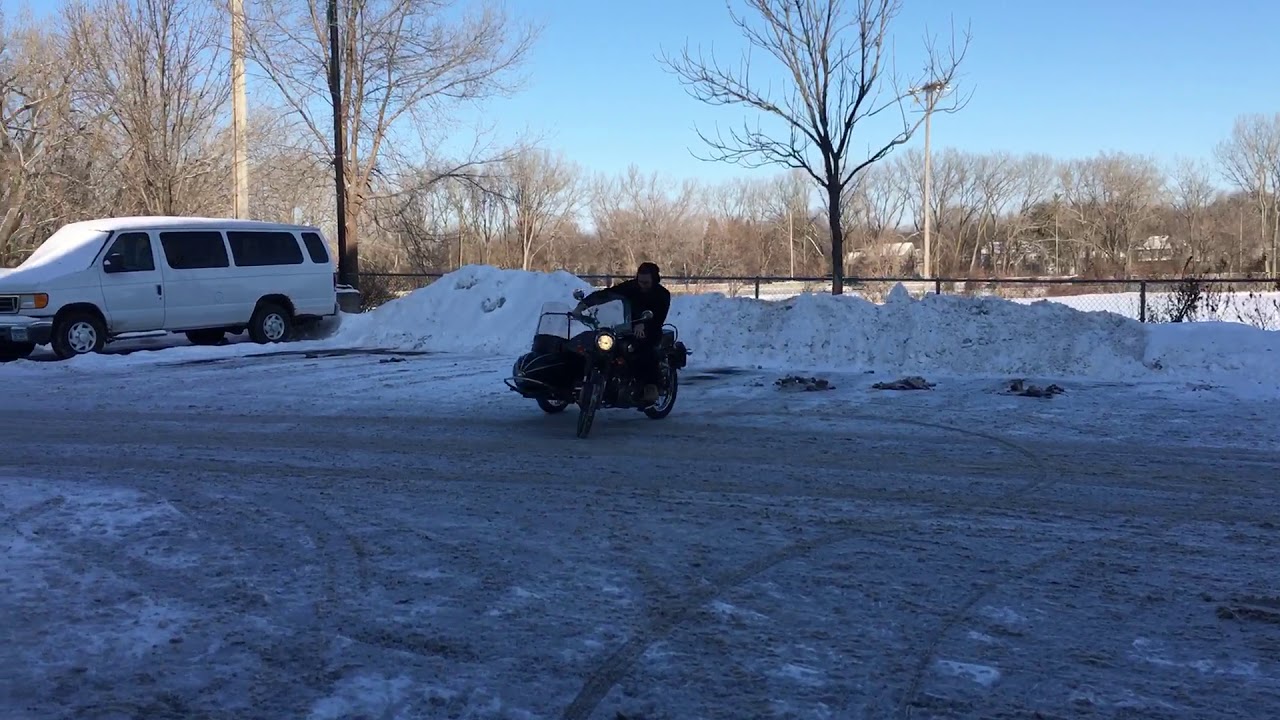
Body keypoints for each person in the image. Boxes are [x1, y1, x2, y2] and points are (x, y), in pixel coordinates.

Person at [574, 262, 671, 405]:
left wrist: (643, 324)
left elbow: (659, 317)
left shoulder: (662, 295)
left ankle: (651, 386)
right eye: (640, 281)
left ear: (654, 279)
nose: (642, 285)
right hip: (626, 328)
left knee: (644, 352)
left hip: (650, 330)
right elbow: (607, 294)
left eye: (646, 282)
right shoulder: (631, 287)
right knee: (599, 346)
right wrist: (583, 305)